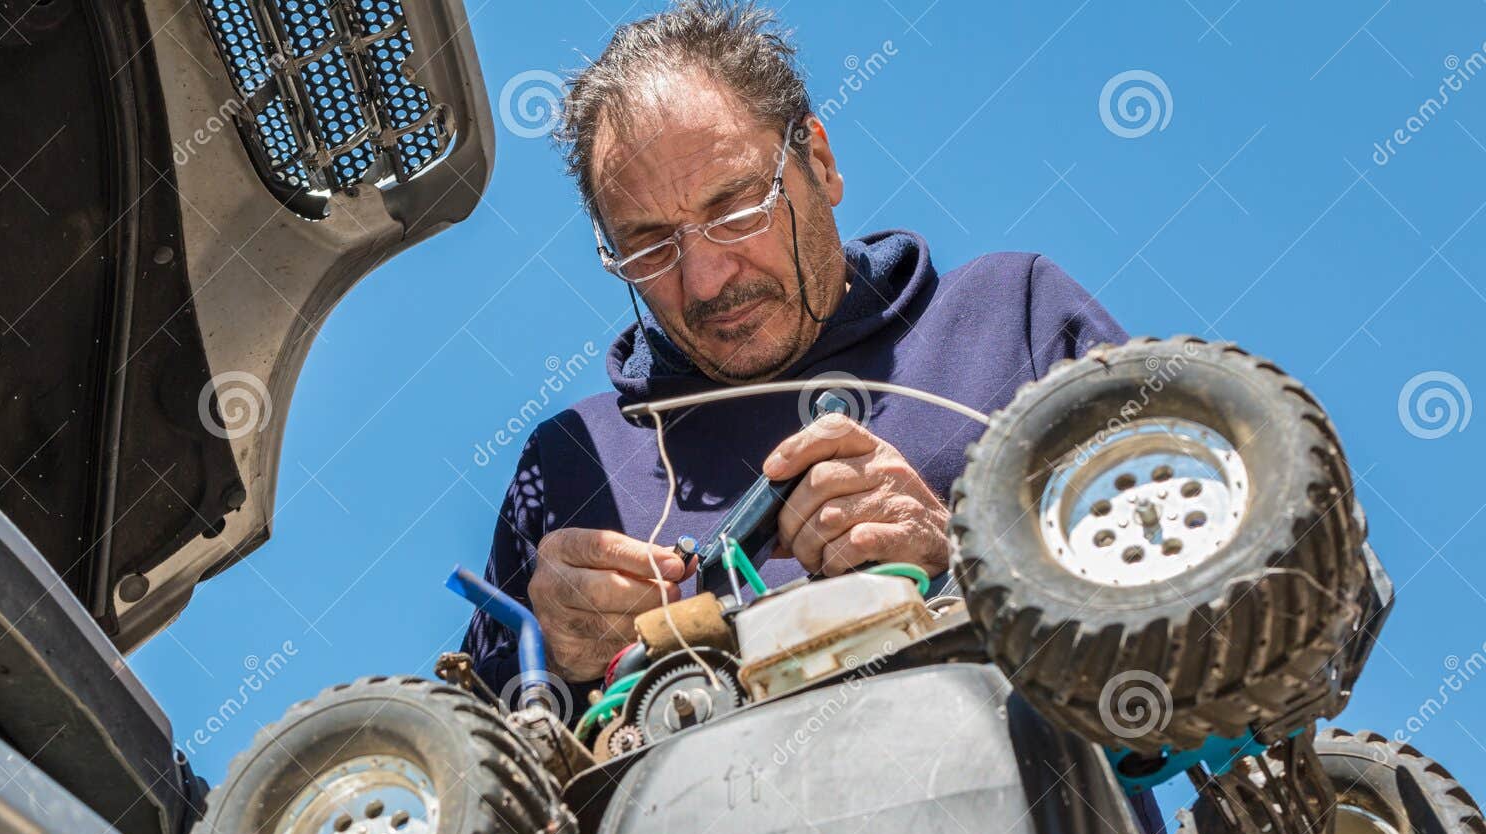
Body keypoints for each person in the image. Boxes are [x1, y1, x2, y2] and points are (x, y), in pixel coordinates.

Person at [464, 0, 1129, 716]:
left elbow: (1214, 580)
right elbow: (460, 775)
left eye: (736, 210)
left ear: (820, 161)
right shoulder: (572, 462)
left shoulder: (1012, 318)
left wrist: (963, 556)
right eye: (650, 246)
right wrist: (546, 665)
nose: (707, 280)